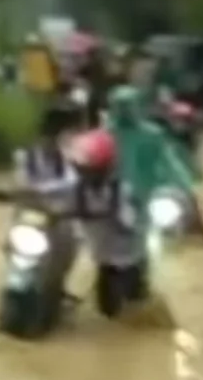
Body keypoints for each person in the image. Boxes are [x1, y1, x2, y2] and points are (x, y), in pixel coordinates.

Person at [105, 85, 203, 246]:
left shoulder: (149, 133)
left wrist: (185, 182)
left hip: (141, 188)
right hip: (124, 189)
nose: (126, 111)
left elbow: (169, 161)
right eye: (123, 107)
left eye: (128, 106)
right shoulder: (109, 133)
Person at [68, 127, 151, 317]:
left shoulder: (122, 190)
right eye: (81, 169)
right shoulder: (77, 189)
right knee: (108, 311)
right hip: (103, 258)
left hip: (130, 257)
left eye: (90, 169)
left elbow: (132, 220)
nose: (85, 173)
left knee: (137, 306)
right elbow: (56, 201)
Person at [11, 102, 81, 299]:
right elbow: (20, 179)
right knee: (14, 242)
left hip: (58, 213)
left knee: (71, 243)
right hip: (31, 212)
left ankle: (57, 284)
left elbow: (74, 180)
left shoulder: (68, 155)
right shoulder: (26, 154)